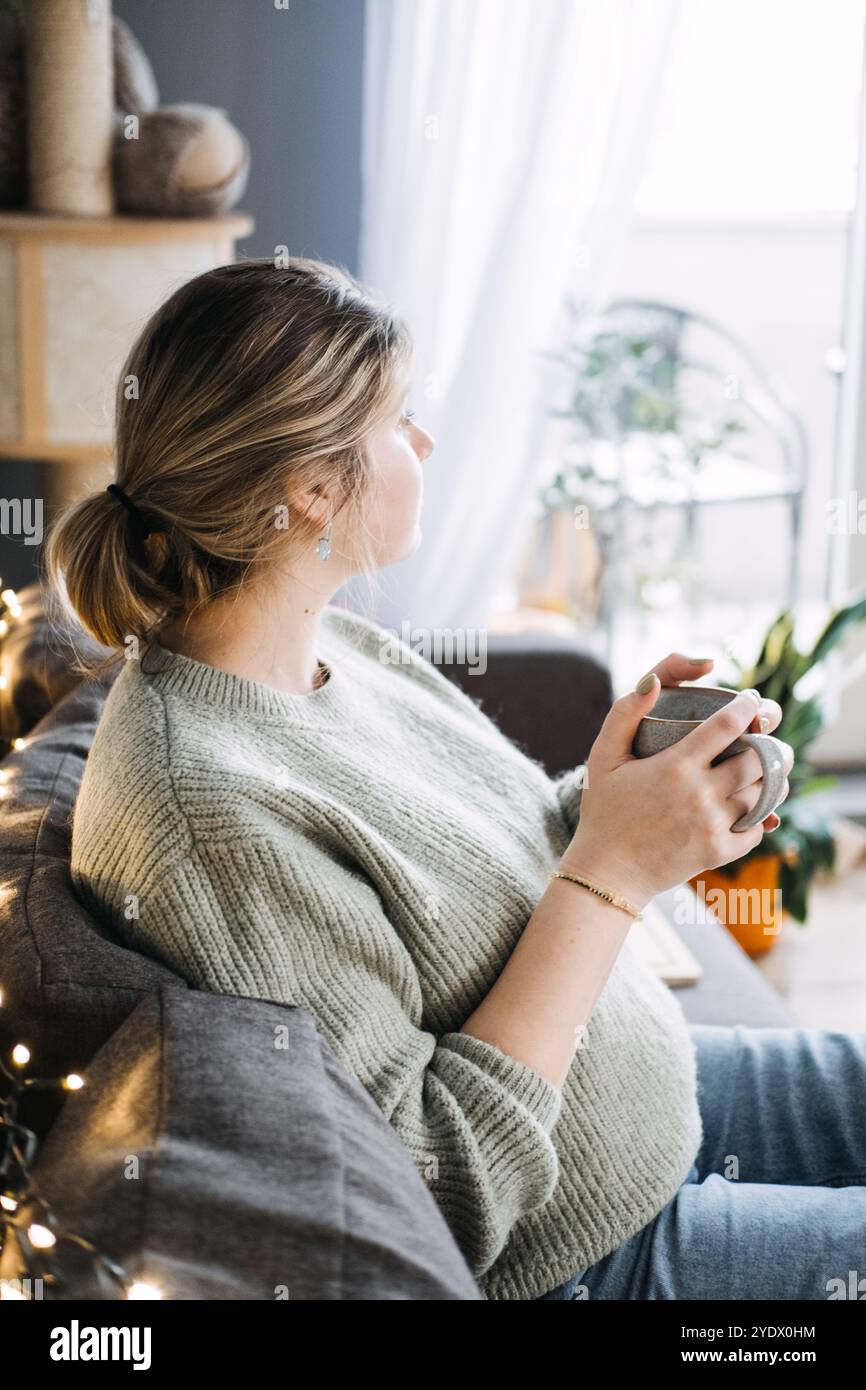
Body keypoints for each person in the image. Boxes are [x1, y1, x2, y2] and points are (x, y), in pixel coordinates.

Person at [45, 258, 863, 1303]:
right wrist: (612, 870)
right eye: (401, 420)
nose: (424, 442)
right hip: (590, 1251)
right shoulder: (202, 813)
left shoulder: (331, 643)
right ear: (312, 487)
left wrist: (635, 782)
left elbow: (518, 855)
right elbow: (437, 1186)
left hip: (652, 1100)